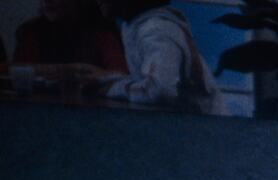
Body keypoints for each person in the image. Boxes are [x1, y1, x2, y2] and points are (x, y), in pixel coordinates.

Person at [93, 0, 226, 115]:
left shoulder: (155, 30)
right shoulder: (137, 26)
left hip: (206, 133)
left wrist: (110, 88)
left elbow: (161, 91)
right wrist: (105, 80)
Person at [12, 0, 127, 71]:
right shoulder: (31, 31)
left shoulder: (101, 31)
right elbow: (16, 69)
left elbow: (119, 74)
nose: (47, 0)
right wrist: (72, 70)